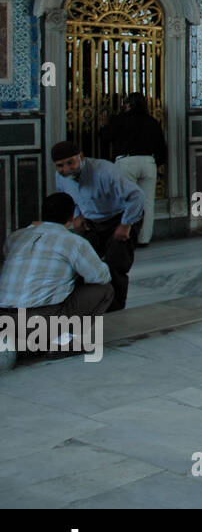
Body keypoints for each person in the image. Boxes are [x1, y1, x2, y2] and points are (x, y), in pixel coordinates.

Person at [0, 192, 114, 370]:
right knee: (103, 290)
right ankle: (62, 342)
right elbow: (101, 276)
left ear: (42, 214)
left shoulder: (16, 236)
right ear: (71, 216)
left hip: (3, 319)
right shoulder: (73, 241)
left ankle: (28, 342)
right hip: (39, 320)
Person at [51, 140, 143, 313]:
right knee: (80, 261)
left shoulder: (104, 171)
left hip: (122, 216)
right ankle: (84, 306)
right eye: (60, 166)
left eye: (71, 162)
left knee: (116, 264)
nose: (66, 168)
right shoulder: (62, 177)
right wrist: (77, 215)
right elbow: (67, 197)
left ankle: (114, 311)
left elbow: (137, 196)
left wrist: (125, 225)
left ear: (82, 157)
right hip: (93, 221)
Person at [101, 93, 167, 247]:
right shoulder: (152, 122)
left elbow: (106, 137)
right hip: (149, 163)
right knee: (147, 202)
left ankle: (127, 235)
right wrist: (158, 163)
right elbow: (161, 146)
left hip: (126, 162)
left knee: (127, 200)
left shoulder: (120, 119)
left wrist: (104, 124)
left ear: (128, 104)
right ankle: (144, 239)